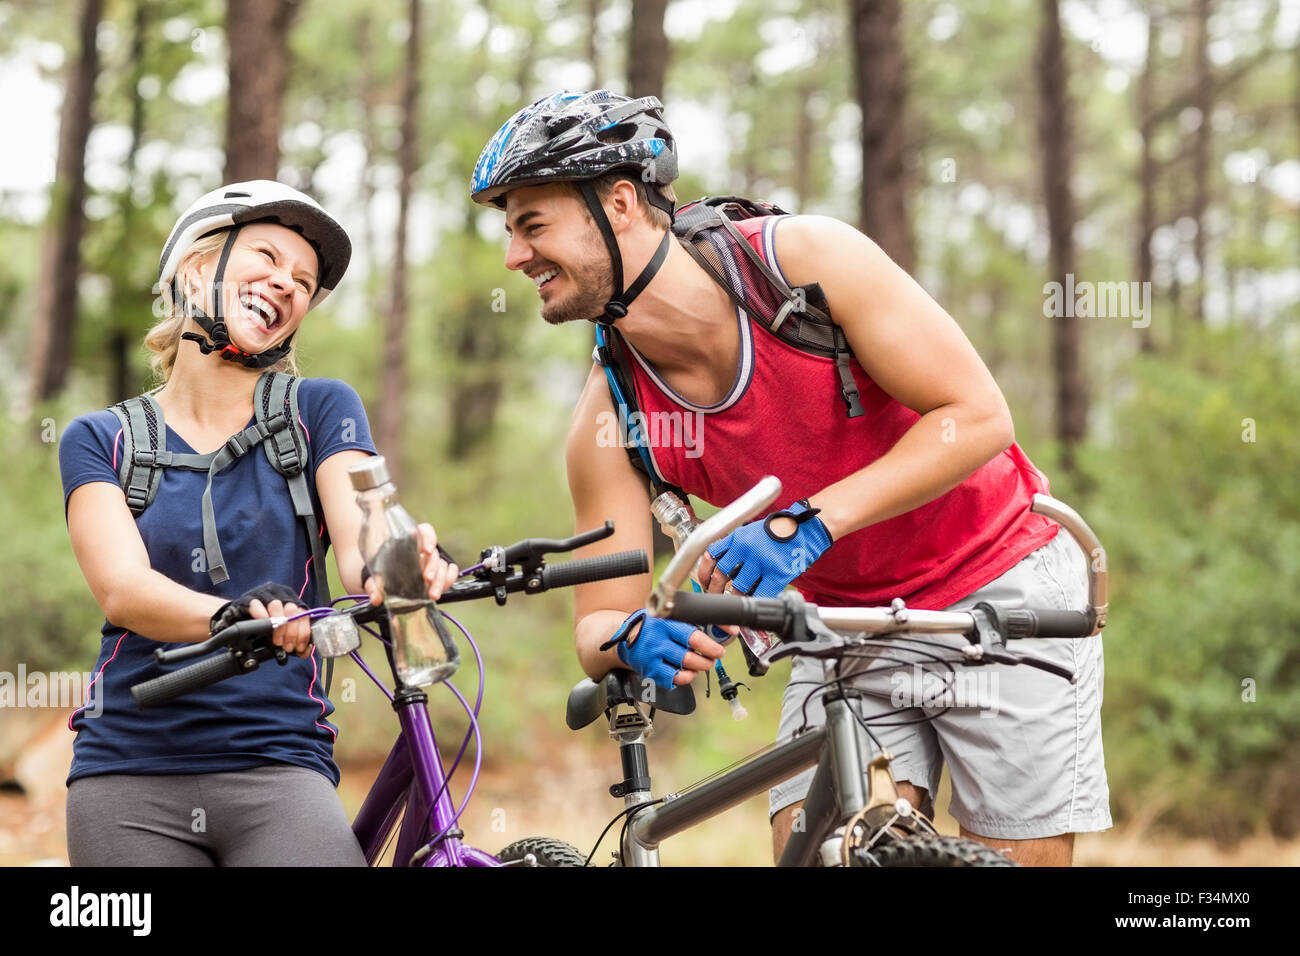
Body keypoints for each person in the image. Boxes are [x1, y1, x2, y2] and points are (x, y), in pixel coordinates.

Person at [469, 91, 1110, 866]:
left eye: (532, 225)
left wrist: (811, 521)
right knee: (818, 851)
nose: (514, 256)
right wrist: (636, 639)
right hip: (841, 628)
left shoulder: (802, 264)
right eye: (509, 231)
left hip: (998, 587)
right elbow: (595, 625)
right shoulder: (614, 416)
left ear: (621, 202)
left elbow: (975, 417)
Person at [58, 180, 458, 866]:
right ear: (195, 270)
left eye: (303, 280)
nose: (286, 284)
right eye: (267, 257)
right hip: (126, 769)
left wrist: (401, 560)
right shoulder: (101, 439)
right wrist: (234, 617)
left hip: (278, 763)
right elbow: (123, 589)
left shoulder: (320, 410)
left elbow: (366, 528)